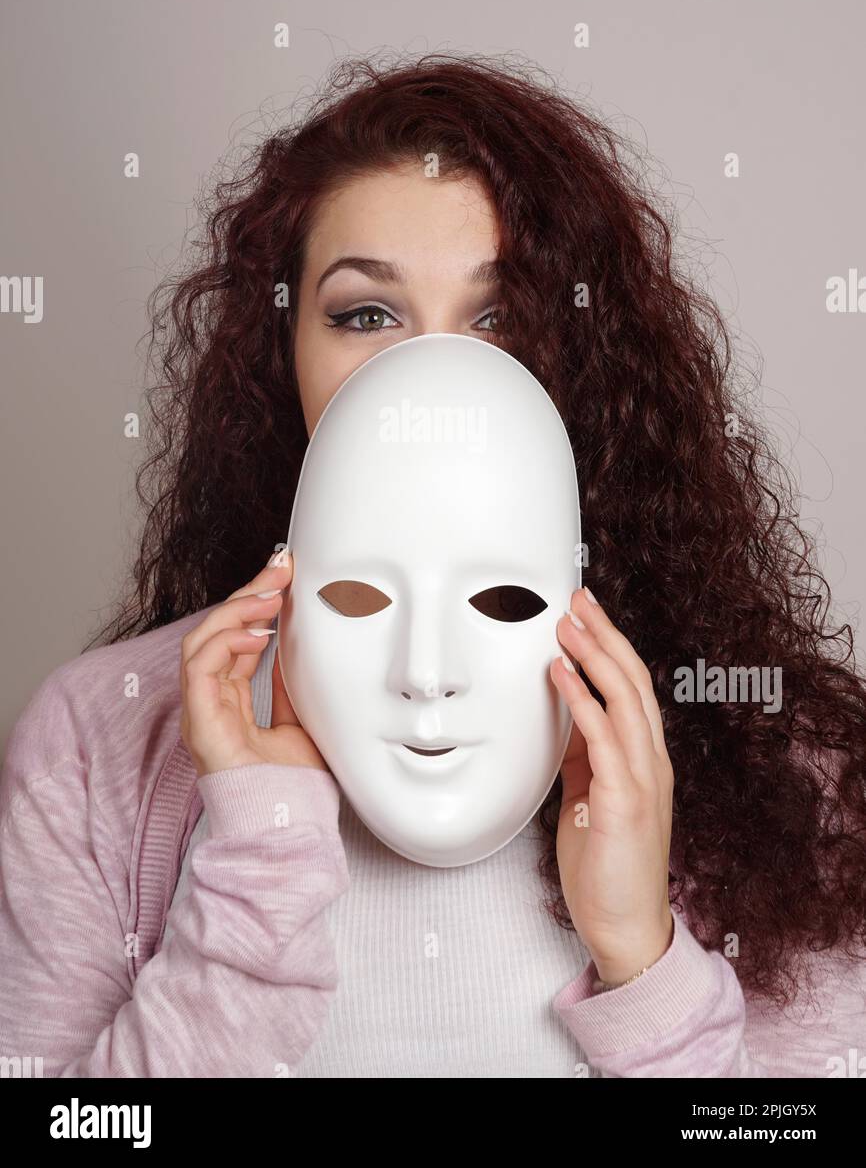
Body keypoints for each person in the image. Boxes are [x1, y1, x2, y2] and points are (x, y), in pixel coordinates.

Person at [1, 53, 865, 1078]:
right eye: (367, 314)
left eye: (499, 318)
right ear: (282, 354)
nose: (428, 377)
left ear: (587, 356)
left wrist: (644, 961)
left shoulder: (782, 768)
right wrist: (254, 872)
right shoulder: (104, 739)